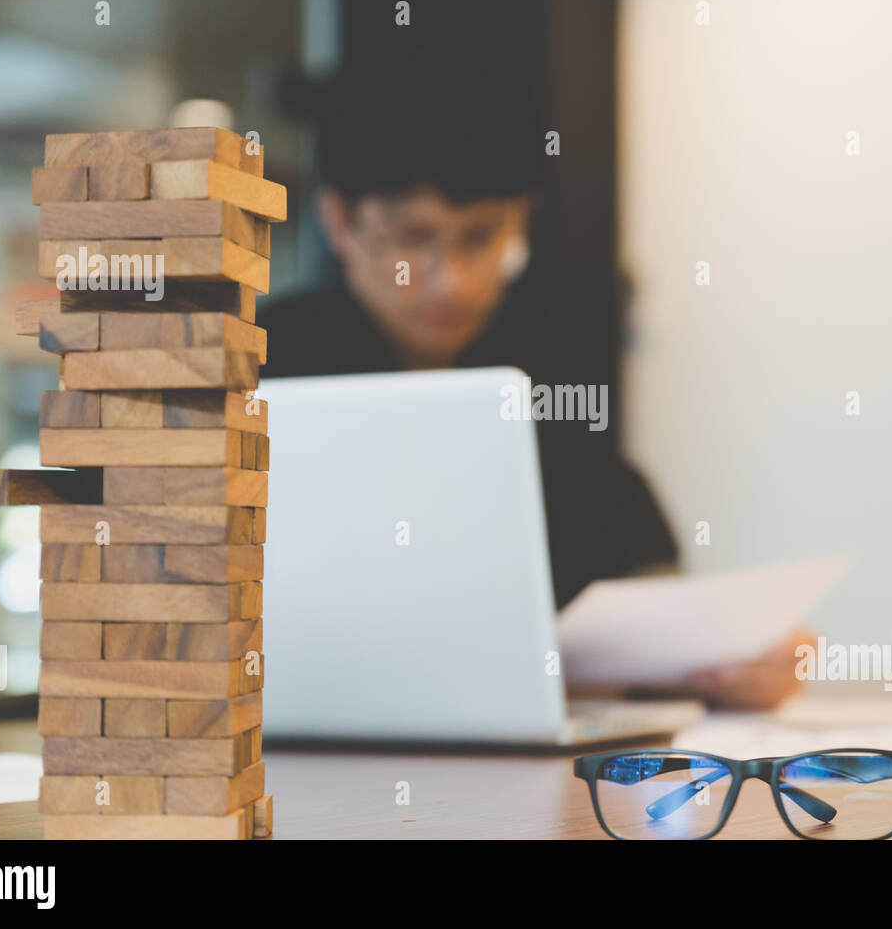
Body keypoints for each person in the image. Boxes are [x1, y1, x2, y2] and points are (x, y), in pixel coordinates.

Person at [260, 67, 809, 708]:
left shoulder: (545, 386)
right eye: (414, 239)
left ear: (523, 221)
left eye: (482, 237)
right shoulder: (257, 369)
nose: (452, 283)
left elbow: (646, 579)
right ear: (340, 222)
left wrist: (733, 652)